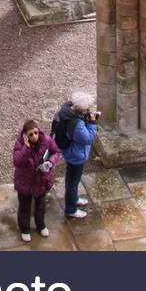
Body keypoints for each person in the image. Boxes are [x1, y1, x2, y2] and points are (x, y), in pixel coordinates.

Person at [52, 91, 98, 220]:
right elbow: (87, 138)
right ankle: (71, 209)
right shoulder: (76, 124)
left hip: (70, 151)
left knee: (72, 179)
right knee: (73, 181)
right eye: (86, 108)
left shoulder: (66, 112)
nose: (88, 110)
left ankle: (75, 198)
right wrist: (93, 123)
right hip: (76, 155)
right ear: (79, 108)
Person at [12, 118, 60, 242]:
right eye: (31, 134)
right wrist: (26, 149)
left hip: (41, 179)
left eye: (36, 132)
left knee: (40, 205)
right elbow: (17, 161)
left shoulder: (46, 141)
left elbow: (56, 152)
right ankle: (24, 228)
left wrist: (50, 163)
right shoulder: (20, 145)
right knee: (25, 206)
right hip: (25, 181)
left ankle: (41, 225)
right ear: (25, 136)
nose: (34, 136)